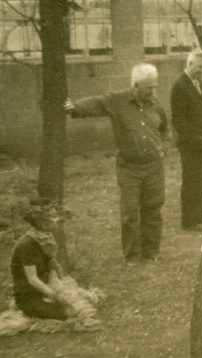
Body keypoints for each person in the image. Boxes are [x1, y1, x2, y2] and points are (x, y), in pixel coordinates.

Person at [65, 63, 168, 264]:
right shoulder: (117, 101)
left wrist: (163, 146)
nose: (153, 91)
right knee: (130, 212)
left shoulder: (155, 105)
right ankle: (132, 256)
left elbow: (164, 128)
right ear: (136, 85)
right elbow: (96, 103)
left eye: (155, 87)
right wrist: (74, 107)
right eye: (149, 87)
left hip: (154, 167)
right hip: (129, 168)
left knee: (153, 209)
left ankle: (151, 253)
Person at [171, 49, 202, 231]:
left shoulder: (198, 83)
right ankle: (188, 221)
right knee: (191, 181)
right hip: (191, 145)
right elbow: (179, 120)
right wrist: (195, 139)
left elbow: (197, 110)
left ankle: (198, 215)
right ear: (189, 64)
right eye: (199, 67)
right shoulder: (179, 86)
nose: (201, 71)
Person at [11, 199, 66, 320]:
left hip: (45, 285)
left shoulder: (46, 238)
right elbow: (32, 279)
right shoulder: (27, 244)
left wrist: (56, 280)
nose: (55, 223)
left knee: (75, 304)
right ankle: (25, 308)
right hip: (29, 295)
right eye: (51, 220)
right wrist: (53, 295)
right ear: (41, 222)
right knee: (64, 313)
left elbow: (50, 263)